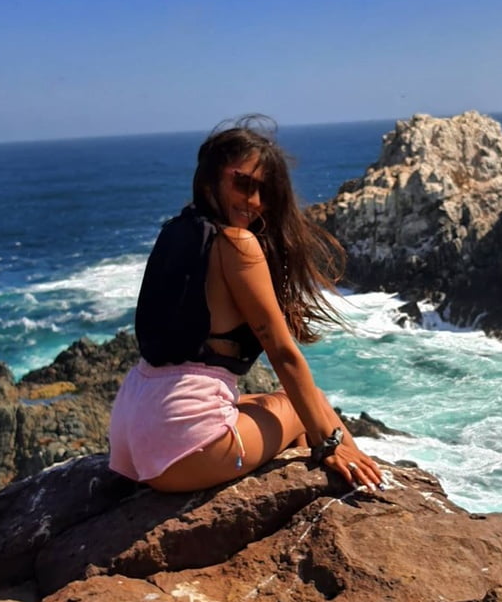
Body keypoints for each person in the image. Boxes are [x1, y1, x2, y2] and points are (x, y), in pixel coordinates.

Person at [109, 116, 383, 494]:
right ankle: (370, 488)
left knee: (286, 404)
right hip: (183, 444)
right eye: (243, 183)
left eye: (265, 192)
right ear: (210, 177)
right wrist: (330, 443)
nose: (255, 202)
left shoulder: (176, 230)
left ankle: (333, 482)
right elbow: (282, 352)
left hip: (130, 430)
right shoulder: (237, 243)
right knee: (312, 407)